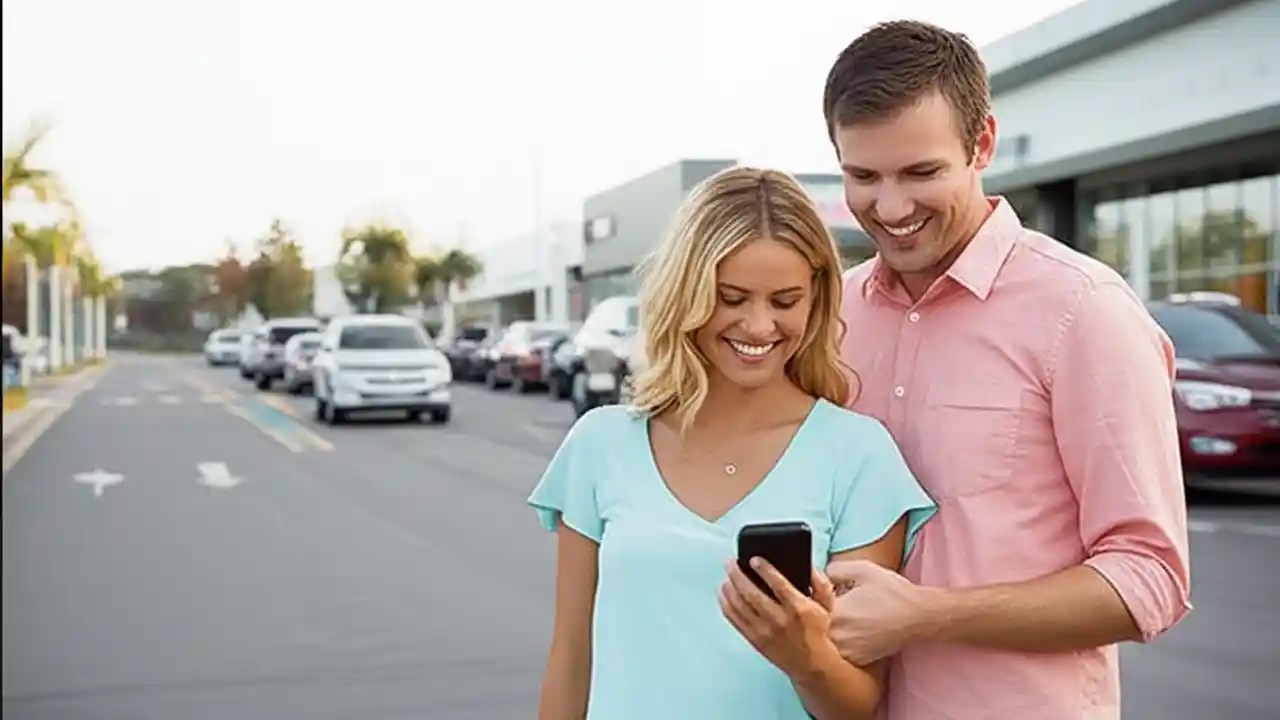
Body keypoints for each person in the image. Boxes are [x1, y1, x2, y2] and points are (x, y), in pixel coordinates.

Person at [820, 20, 1192, 719]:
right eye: (862, 177)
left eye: (921, 173)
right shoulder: (831, 314)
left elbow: (1150, 578)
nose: (890, 208)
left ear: (982, 143)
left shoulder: (1084, 312)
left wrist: (926, 615)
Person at [527, 166, 936, 719]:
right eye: (732, 298)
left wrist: (805, 656)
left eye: (785, 301)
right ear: (687, 294)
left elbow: (858, 705)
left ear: (815, 300)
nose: (759, 325)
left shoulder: (860, 456)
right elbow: (572, 657)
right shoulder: (601, 445)